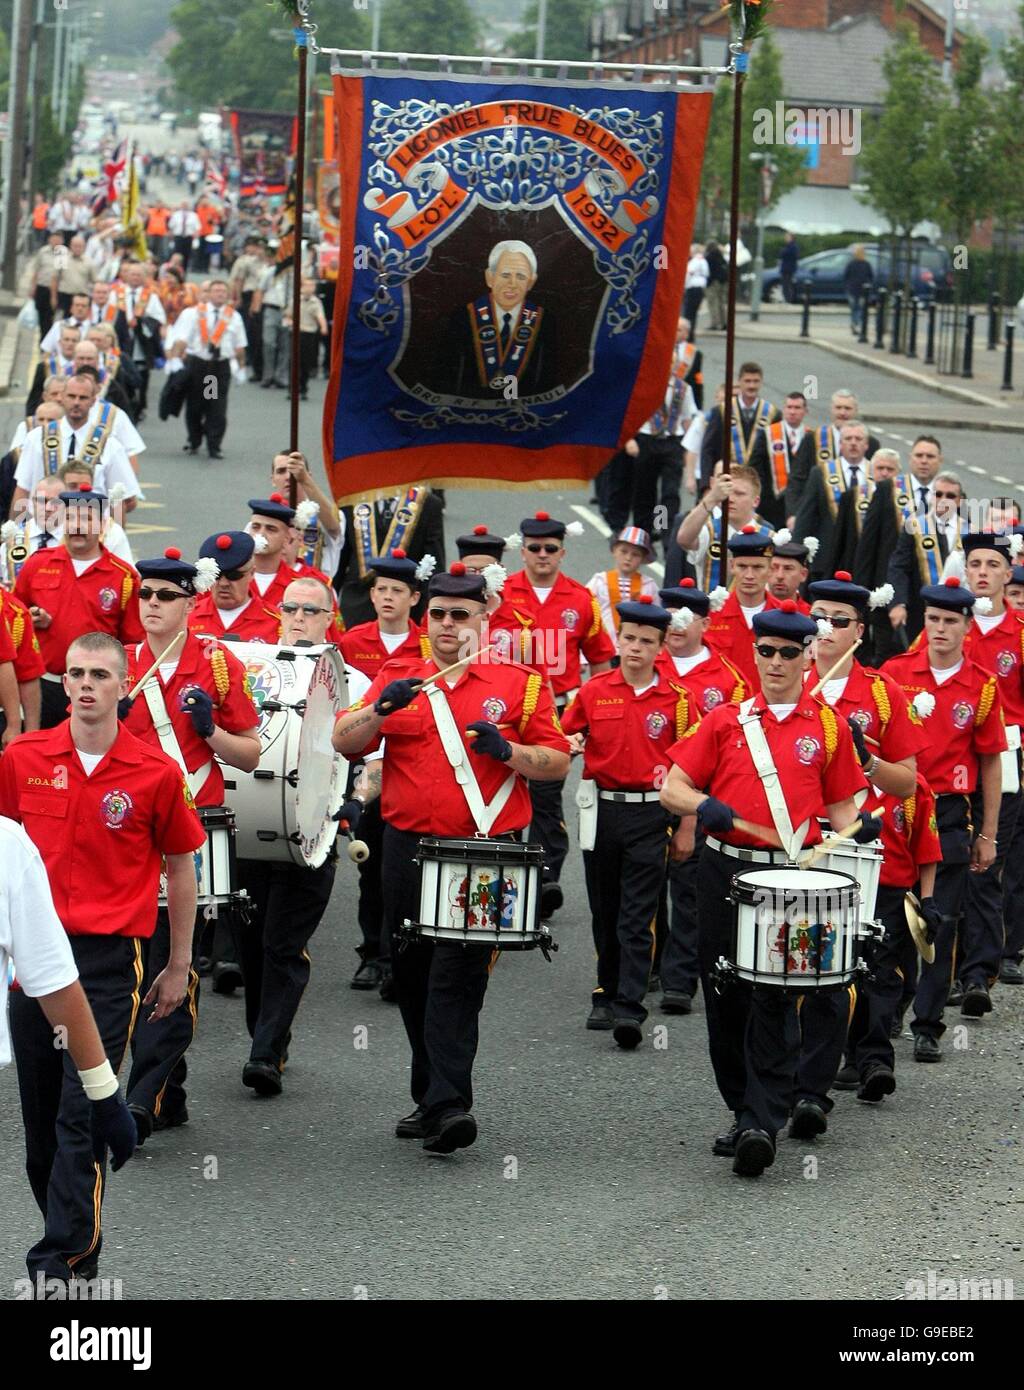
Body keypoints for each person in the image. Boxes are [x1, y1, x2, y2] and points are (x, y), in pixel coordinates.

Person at [333, 562, 571, 1153]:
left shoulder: (519, 682)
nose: (445, 624)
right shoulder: (398, 676)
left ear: (482, 620)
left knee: (458, 977)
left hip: (482, 854)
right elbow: (343, 740)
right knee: (410, 976)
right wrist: (379, 710)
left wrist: (510, 750)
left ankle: (449, 1104)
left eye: (459, 615)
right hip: (408, 849)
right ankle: (431, 1095)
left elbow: (558, 759)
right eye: (437, 613)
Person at [0, 631, 204, 1285]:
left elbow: (180, 870)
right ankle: (70, 1238)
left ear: (123, 686)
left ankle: (63, 1256)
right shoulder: (22, 758)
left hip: (108, 961)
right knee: (39, 1128)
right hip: (29, 961)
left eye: (99, 675)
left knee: (82, 1110)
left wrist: (178, 966)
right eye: (75, 674)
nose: (85, 685)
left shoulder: (155, 773)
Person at [660, 601, 867, 1176]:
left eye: (787, 653)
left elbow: (846, 808)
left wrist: (861, 821)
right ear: (755, 653)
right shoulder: (724, 721)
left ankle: (760, 1120)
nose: (775, 662)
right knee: (724, 994)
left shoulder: (826, 726)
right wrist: (704, 804)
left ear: (807, 656)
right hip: (723, 869)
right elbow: (671, 788)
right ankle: (741, 1105)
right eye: (766, 651)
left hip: (790, 877)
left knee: (774, 994)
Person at [119, 548, 261, 1137]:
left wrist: (212, 731)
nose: (152, 605)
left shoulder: (217, 664)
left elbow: (251, 754)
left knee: (176, 958)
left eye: (165, 596)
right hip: (125, 829)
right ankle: (167, 1088)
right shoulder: (117, 664)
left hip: (190, 824)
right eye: (145, 595)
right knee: (127, 960)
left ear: (191, 602)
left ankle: (143, 1093)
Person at [790, 571, 927, 1130]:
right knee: (805, 956)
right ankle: (805, 1072)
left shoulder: (882, 693)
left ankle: (870, 1058)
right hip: (799, 841)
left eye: (838, 621)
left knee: (870, 957)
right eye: (817, 618)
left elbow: (908, 783)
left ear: (859, 633)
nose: (825, 630)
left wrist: (866, 761)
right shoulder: (786, 683)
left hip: (860, 841)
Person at [235, 579, 370, 1096]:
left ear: (329, 616)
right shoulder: (255, 667)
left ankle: (265, 1053)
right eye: (289, 608)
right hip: (249, 824)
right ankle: (267, 1037)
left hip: (312, 830)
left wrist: (355, 800)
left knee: (282, 944)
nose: (296, 617)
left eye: (309, 610)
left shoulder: (351, 680)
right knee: (249, 943)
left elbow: (371, 761)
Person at [0, 813, 140, 1293]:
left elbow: (55, 985)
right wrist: (105, 1094)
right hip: (54, 977)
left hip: (109, 955)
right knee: (44, 1143)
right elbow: (54, 983)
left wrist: (101, 1095)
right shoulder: (8, 841)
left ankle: (65, 1253)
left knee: (67, 1131)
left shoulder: (7, 845)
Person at [562, 597, 699, 1043]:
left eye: (646, 641)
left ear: (661, 646)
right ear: (618, 640)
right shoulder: (593, 691)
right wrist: (570, 743)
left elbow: (696, 770)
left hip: (651, 811)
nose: (635, 648)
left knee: (638, 912)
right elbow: (564, 732)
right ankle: (606, 989)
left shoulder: (678, 702)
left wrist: (687, 826)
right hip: (602, 808)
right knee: (604, 907)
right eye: (629, 638)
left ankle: (629, 1004)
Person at [884, 577, 1006, 1061]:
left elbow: (992, 761)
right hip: (897, 809)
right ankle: (888, 1004)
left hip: (950, 813)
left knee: (939, 922)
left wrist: (989, 835)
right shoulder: (893, 673)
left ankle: (928, 1023)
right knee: (892, 917)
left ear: (966, 626)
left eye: (950, 621)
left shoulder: (982, 685)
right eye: (932, 619)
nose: (939, 629)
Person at [489, 512, 616, 914]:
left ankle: (544, 879)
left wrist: (593, 720)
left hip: (556, 711)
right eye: (533, 548)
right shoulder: (501, 594)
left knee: (546, 797)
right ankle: (502, 875)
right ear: (521, 550)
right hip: (505, 712)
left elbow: (599, 663)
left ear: (562, 552)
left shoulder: (581, 599)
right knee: (502, 792)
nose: (541, 555)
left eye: (550, 549)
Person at [338, 551, 433, 991]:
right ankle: (372, 952)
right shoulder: (351, 643)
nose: (388, 597)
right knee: (369, 861)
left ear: (415, 598)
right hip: (362, 764)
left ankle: (403, 956)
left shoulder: (431, 646)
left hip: (409, 765)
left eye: (398, 590)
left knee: (412, 869)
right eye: (381, 590)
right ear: (372, 595)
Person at [655, 582, 747, 1015]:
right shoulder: (645, 662)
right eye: (668, 613)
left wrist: (694, 814)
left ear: (706, 624)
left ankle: (680, 978)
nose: (674, 623)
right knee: (641, 893)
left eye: (685, 615)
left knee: (688, 889)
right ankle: (645, 969)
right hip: (641, 797)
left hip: (696, 798)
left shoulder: (728, 679)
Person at [956, 532, 1024, 1007]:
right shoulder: (949, 624)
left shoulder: (1020, 631)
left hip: (1007, 757)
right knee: (955, 862)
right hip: (955, 759)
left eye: (992, 564)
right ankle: (952, 964)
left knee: (991, 860)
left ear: (1008, 573)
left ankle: (979, 972)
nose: (982, 571)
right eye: (974, 563)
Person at [14, 486, 144, 727]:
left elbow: (133, 642)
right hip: (44, 685)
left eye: (86, 519)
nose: (77, 526)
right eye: (70, 518)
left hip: (96, 689)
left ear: (103, 525)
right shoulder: (37, 564)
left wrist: (124, 690)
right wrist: (32, 619)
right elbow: (13, 622)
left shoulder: (124, 577)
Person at [855, 436, 951, 660]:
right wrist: (862, 596)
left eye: (930, 456)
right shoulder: (889, 489)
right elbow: (868, 545)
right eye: (919, 456)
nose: (924, 461)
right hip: (891, 595)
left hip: (933, 593)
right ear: (910, 459)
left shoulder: (949, 493)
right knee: (891, 660)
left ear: (940, 460)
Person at [12, 374, 140, 520]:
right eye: (71, 396)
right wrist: (16, 535)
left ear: (93, 401)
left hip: (89, 533)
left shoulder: (110, 445)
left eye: (83, 398)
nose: (76, 402)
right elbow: (22, 491)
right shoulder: (35, 438)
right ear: (63, 397)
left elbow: (128, 501)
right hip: (43, 533)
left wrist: (107, 526)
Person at [442, 240, 557, 399]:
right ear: (490, 277)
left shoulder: (545, 321)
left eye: (521, 276)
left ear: (531, 282)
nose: (512, 284)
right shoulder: (463, 318)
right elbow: (447, 381)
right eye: (505, 275)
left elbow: (547, 381)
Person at [335, 485, 446, 628]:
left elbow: (434, 564)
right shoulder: (353, 499)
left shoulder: (429, 504)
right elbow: (341, 558)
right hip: (355, 608)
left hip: (406, 614)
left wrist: (431, 612)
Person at [168, 279, 248, 459]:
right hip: (199, 365)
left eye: (223, 291)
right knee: (196, 406)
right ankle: (195, 440)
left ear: (227, 295)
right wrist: (174, 359)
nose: (220, 294)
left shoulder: (234, 317)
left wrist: (241, 368)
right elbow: (182, 339)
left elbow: (240, 345)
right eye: (216, 291)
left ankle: (214, 445)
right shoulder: (195, 313)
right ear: (209, 294)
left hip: (218, 367)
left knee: (216, 406)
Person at [793, 420, 874, 579]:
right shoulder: (820, 473)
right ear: (840, 444)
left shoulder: (877, 474)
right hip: (826, 559)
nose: (853, 443)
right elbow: (806, 517)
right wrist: (797, 555)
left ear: (866, 445)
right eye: (848, 439)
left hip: (865, 558)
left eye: (858, 439)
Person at [675, 464, 771, 595]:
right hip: (713, 612)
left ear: (756, 501)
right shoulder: (709, 530)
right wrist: (712, 497)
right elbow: (683, 539)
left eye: (739, 494)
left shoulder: (769, 537)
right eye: (728, 492)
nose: (730, 499)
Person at [786, 390, 880, 522]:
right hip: (820, 514)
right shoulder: (813, 439)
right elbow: (797, 479)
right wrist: (793, 514)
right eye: (838, 408)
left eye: (847, 408)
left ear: (856, 411)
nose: (842, 413)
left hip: (860, 515)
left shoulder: (871, 444)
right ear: (831, 410)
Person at [188, 530, 282, 643]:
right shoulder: (187, 616)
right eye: (216, 575)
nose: (223, 583)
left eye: (233, 576)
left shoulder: (276, 622)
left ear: (252, 573)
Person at [699, 363, 780, 492]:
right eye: (747, 381)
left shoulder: (773, 414)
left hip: (760, 485)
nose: (751, 386)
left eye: (756, 381)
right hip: (727, 481)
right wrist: (706, 485)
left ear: (761, 383)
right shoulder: (721, 412)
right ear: (739, 382)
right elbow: (708, 450)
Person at [106, 262, 166, 421]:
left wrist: (143, 322)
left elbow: (159, 318)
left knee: (142, 376)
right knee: (122, 374)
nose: (135, 277)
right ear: (125, 276)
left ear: (144, 277)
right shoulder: (115, 294)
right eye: (132, 274)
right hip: (121, 341)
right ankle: (126, 403)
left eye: (139, 274)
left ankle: (140, 405)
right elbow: (109, 316)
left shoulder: (150, 296)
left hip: (141, 342)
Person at [269, 450, 343, 579]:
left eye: (294, 470)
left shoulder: (322, 515)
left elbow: (333, 526)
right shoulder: (261, 521)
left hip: (316, 592)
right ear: (273, 480)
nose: (288, 476)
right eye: (281, 471)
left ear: (308, 476)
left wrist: (304, 479)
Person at [747, 391, 810, 530]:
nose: (792, 412)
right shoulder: (769, 433)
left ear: (806, 411)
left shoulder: (811, 436)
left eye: (797, 408)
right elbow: (755, 467)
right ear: (784, 409)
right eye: (789, 407)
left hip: (800, 504)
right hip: (771, 504)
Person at [586, 527, 660, 643]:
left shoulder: (649, 585)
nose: (628, 558)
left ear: (643, 558)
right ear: (614, 551)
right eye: (623, 551)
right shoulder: (599, 581)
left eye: (635, 554)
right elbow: (585, 612)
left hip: (635, 647)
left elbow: (657, 618)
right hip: (603, 646)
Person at [282, 277, 328, 400]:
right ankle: (292, 389)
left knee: (306, 362)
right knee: (294, 361)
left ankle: (303, 387)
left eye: (312, 285)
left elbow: (320, 316)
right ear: (302, 287)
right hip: (297, 333)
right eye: (307, 285)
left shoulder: (316, 302)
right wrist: (290, 322)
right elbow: (287, 315)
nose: (309, 288)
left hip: (309, 334)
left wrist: (323, 327)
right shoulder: (295, 300)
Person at [843, 245, 874, 335]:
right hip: (862, 290)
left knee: (854, 309)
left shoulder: (851, 264)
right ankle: (858, 325)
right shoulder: (866, 264)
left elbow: (846, 276)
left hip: (852, 289)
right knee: (860, 309)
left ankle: (855, 324)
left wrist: (847, 286)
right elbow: (871, 277)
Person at [683, 243, 709, 332]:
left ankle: (687, 334)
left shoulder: (694, 261)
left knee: (688, 313)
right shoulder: (703, 261)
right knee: (694, 313)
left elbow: (689, 273)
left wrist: (684, 285)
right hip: (700, 288)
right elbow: (706, 274)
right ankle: (691, 334)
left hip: (692, 287)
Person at [168, 202, 201, 271]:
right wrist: (171, 237)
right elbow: (171, 226)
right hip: (178, 237)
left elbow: (197, 227)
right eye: (183, 205)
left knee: (186, 255)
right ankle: (175, 270)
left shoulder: (194, 215)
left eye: (186, 205)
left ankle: (184, 270)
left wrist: (196, 237)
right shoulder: (176, 214)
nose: (185, 206)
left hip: (188, 237)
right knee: (176, 255)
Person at [703, 241, 728, 331]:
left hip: (713, 282)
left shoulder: (709, 257)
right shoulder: (721, 256)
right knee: (721, 302)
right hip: (723, 281)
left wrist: (708, 283)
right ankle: (724, 323)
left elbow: (708, 271)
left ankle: (714, 323)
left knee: (712, 302)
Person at [779, 232, 799, 304]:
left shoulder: (793, 247)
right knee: (785, 285)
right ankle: (787, 299)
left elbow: (784, 254)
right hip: (786, 269)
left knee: (787, 285)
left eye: (787, 237)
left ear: (791, 238)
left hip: (788, 269)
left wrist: (783, 251)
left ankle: (788, 300)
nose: (785, 238)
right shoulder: (789, 246)